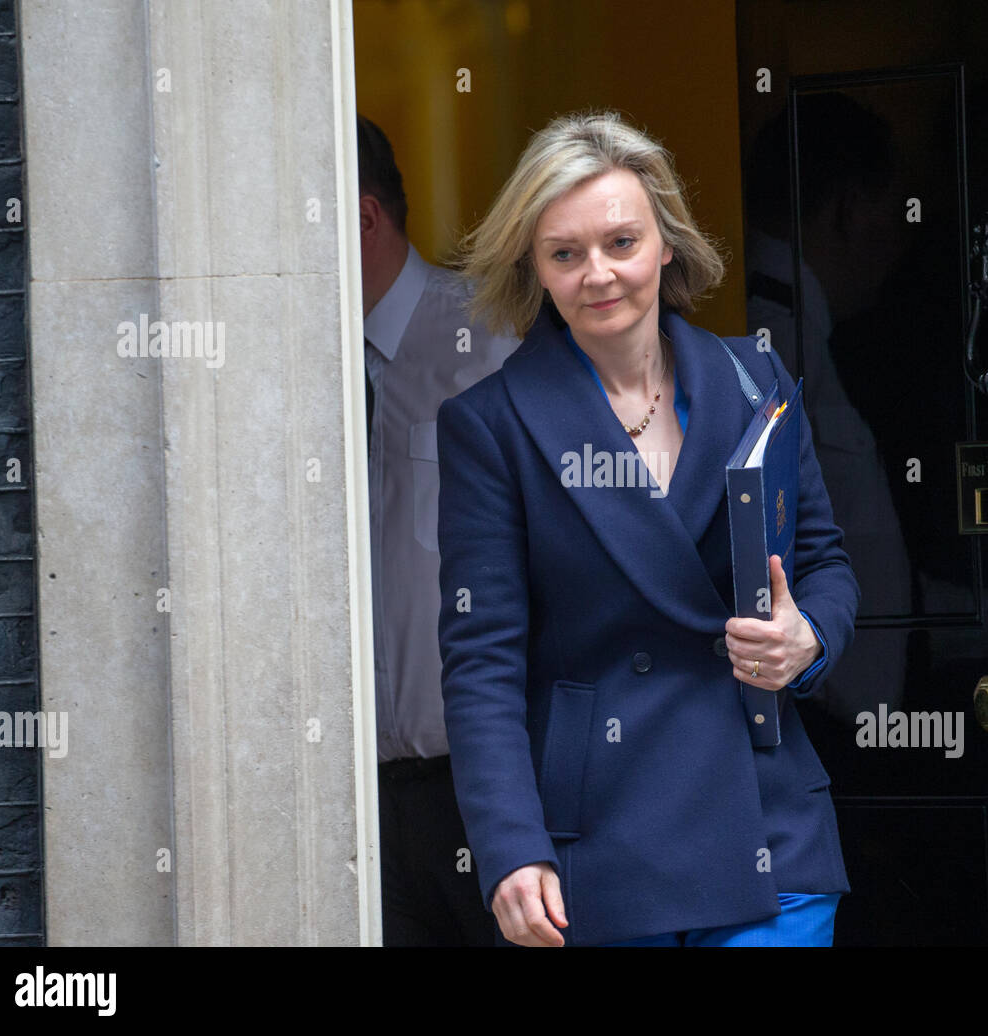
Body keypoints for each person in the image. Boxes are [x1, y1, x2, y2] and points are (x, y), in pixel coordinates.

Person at [436, 109, 859, 947]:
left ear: (666, 244)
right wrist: (510, 848)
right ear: (537, 269)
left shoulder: (755, 376)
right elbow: (481, 661)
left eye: (621, 243)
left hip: (771, 832)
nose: (598, 274)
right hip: (600, 854)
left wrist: (806, 638)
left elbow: (824, 561)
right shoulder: (491, 426)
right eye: (566, 253)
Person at [356, 115, 517, 946]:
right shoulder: (294, 367)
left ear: (363, 218)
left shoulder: (486, 341)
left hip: (482, 788)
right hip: (353, 803)